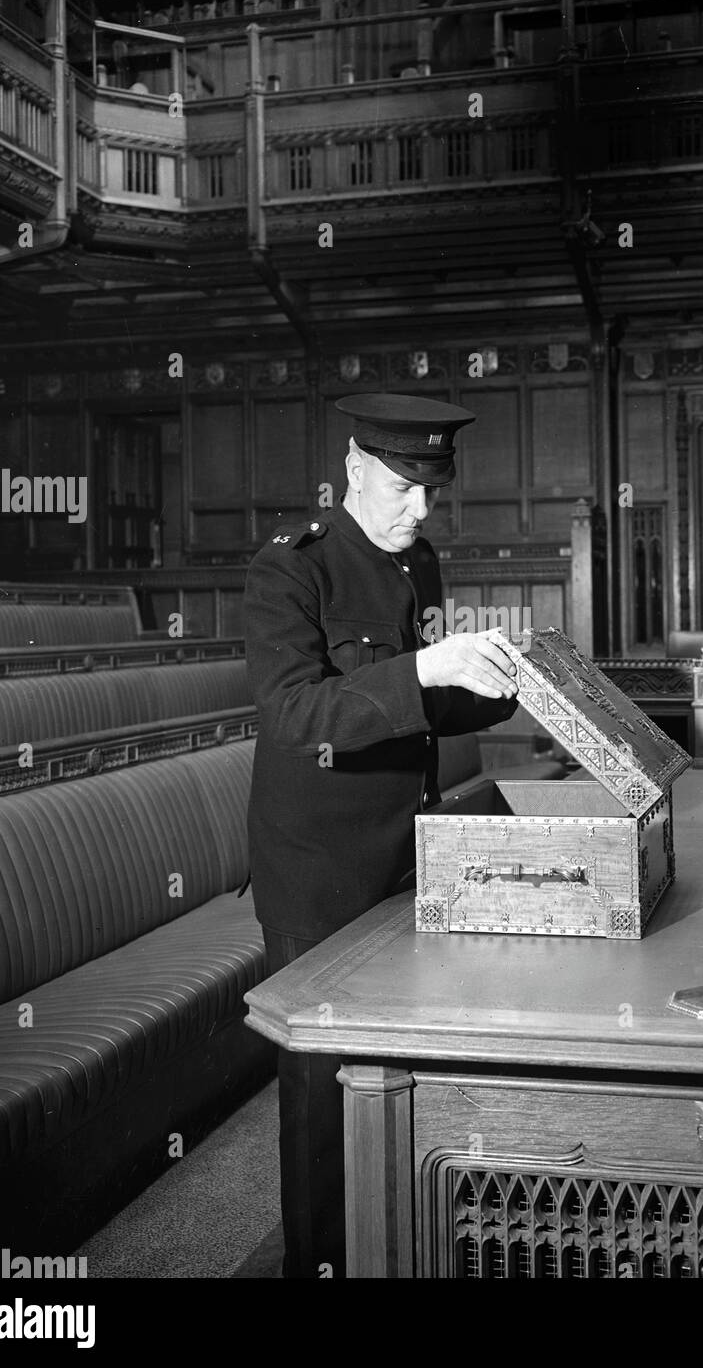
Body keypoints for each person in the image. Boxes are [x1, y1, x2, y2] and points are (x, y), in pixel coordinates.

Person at [244, 392, 519, 1278]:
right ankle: (319, 1263)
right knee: (322, 1096)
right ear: (356, 469)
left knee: (402, 1069)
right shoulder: (292, 568)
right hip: (318, 869)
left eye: (433, 491)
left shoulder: (417, 562)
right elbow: (294, 715)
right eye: (405, 487)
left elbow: (420, 707)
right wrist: (427, 666)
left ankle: (401, 1245)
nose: (421, 508)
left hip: (409, 852)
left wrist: (501, 683)